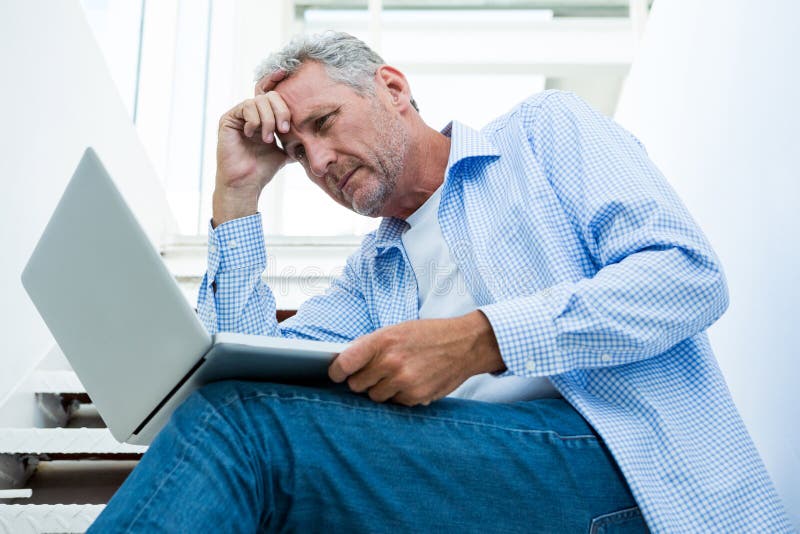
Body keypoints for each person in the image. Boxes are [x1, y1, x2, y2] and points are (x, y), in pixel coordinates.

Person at [89, 32, 791, 532]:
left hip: (625, 470)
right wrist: (237, 196)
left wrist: (481, 340)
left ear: (392, 89)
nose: (320, 161)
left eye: (325, 123)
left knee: (248, 431)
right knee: (248, 433)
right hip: (478, 476)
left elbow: (687, 275)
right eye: (298, 152)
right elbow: (238, 378)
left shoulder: (542, 135)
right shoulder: (372, 274)